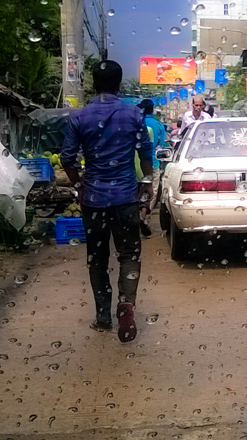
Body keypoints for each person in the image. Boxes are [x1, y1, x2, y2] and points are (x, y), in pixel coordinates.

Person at [61, 60, 152, 343]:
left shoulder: (80, 117)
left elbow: (67, 158)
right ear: (119, 83)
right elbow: (146, 153)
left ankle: (103, 317)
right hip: (125, 198)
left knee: (97, 259)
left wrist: (78, 184)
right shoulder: (134, 115)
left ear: (94, 83)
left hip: (93, 201)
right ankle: (126, 304)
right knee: (129, 255)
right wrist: (147, 185)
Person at [137, 99, 167, 238]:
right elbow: (161, 147)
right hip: (152, 163)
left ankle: (135, 217)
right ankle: (144, 217)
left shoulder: (136, 123)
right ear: (153, 109)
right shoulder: (158, 125)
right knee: (151, 191)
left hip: (133, 163)